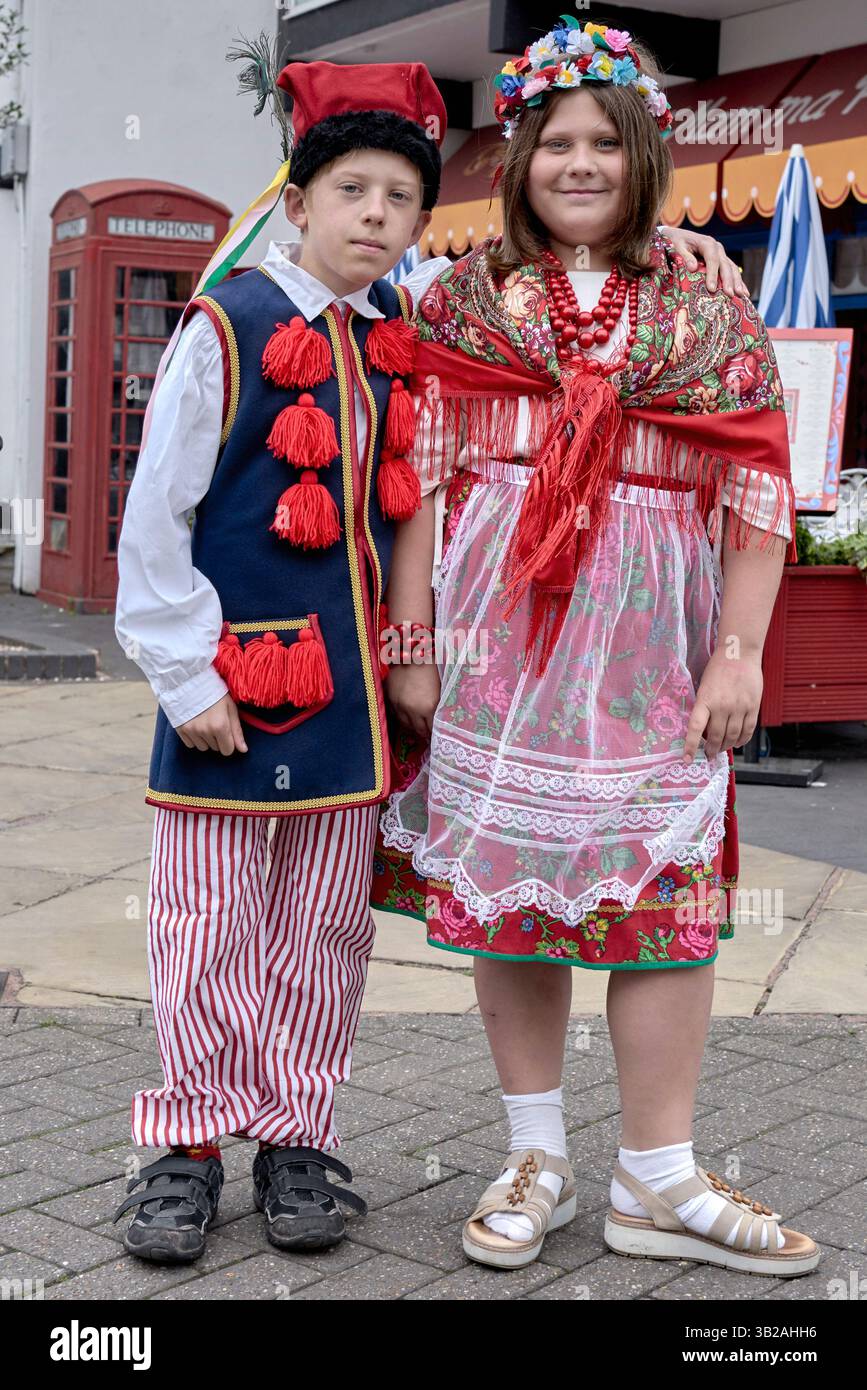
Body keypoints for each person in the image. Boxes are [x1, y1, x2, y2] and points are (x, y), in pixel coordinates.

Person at [372, 17, 821, 1277]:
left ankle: (657, 1175)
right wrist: (413, 644)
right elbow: (421, 481)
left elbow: (757, 490)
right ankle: (536, 1154)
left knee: (661, 899)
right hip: (496, 642)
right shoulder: (460, 296)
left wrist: (741, 651)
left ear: (642, 158)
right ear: (517, 161)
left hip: (654, 647)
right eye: (552, 141)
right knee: (515, 905)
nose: (577, 163)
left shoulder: (706, 297)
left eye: (602, 144)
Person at [111, 57, 453, 1262]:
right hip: (229, 689)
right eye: (351, 188)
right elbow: (157, 515)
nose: (375, 213)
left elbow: (414, 511)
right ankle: (189, 1140)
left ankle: (298, 1132)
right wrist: (185, 674)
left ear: (419, 222)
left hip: (348, 701)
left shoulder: (398, 336)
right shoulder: (226, 325)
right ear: (297, 201)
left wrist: (416, 654)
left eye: (400, 197)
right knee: (204, 923)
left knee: (322, 930)